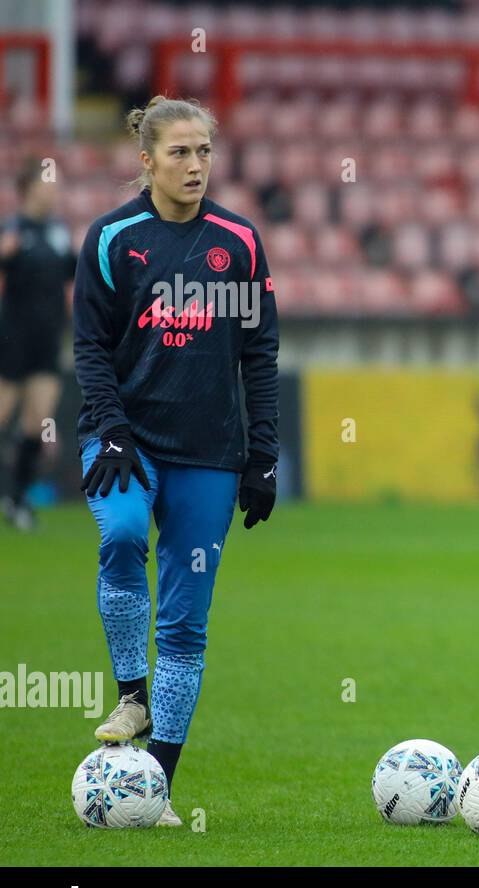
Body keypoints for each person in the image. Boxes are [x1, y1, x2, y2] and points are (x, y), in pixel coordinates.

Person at [74, 95, 279, 825]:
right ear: (147, 161)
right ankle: (132, 694)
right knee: (123, 533)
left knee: (187, 625)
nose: (195, 166)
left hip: (210, 452)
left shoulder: (240, 242)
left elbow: (260, 353)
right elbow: (90, 346)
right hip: (124, 435)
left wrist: (264, 454)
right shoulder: (112, 238)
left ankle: (156, 788)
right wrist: (111, 427)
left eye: (204, 152)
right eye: (180, 153)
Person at [0, 158, 77, 530]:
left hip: (48, 339)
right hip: (12, 337)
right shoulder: (12, 230)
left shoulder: (59, 232)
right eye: (49, 183)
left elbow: (74, 272)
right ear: (29, 188)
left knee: (38, 421)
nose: (54, 190)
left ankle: (18, 499)